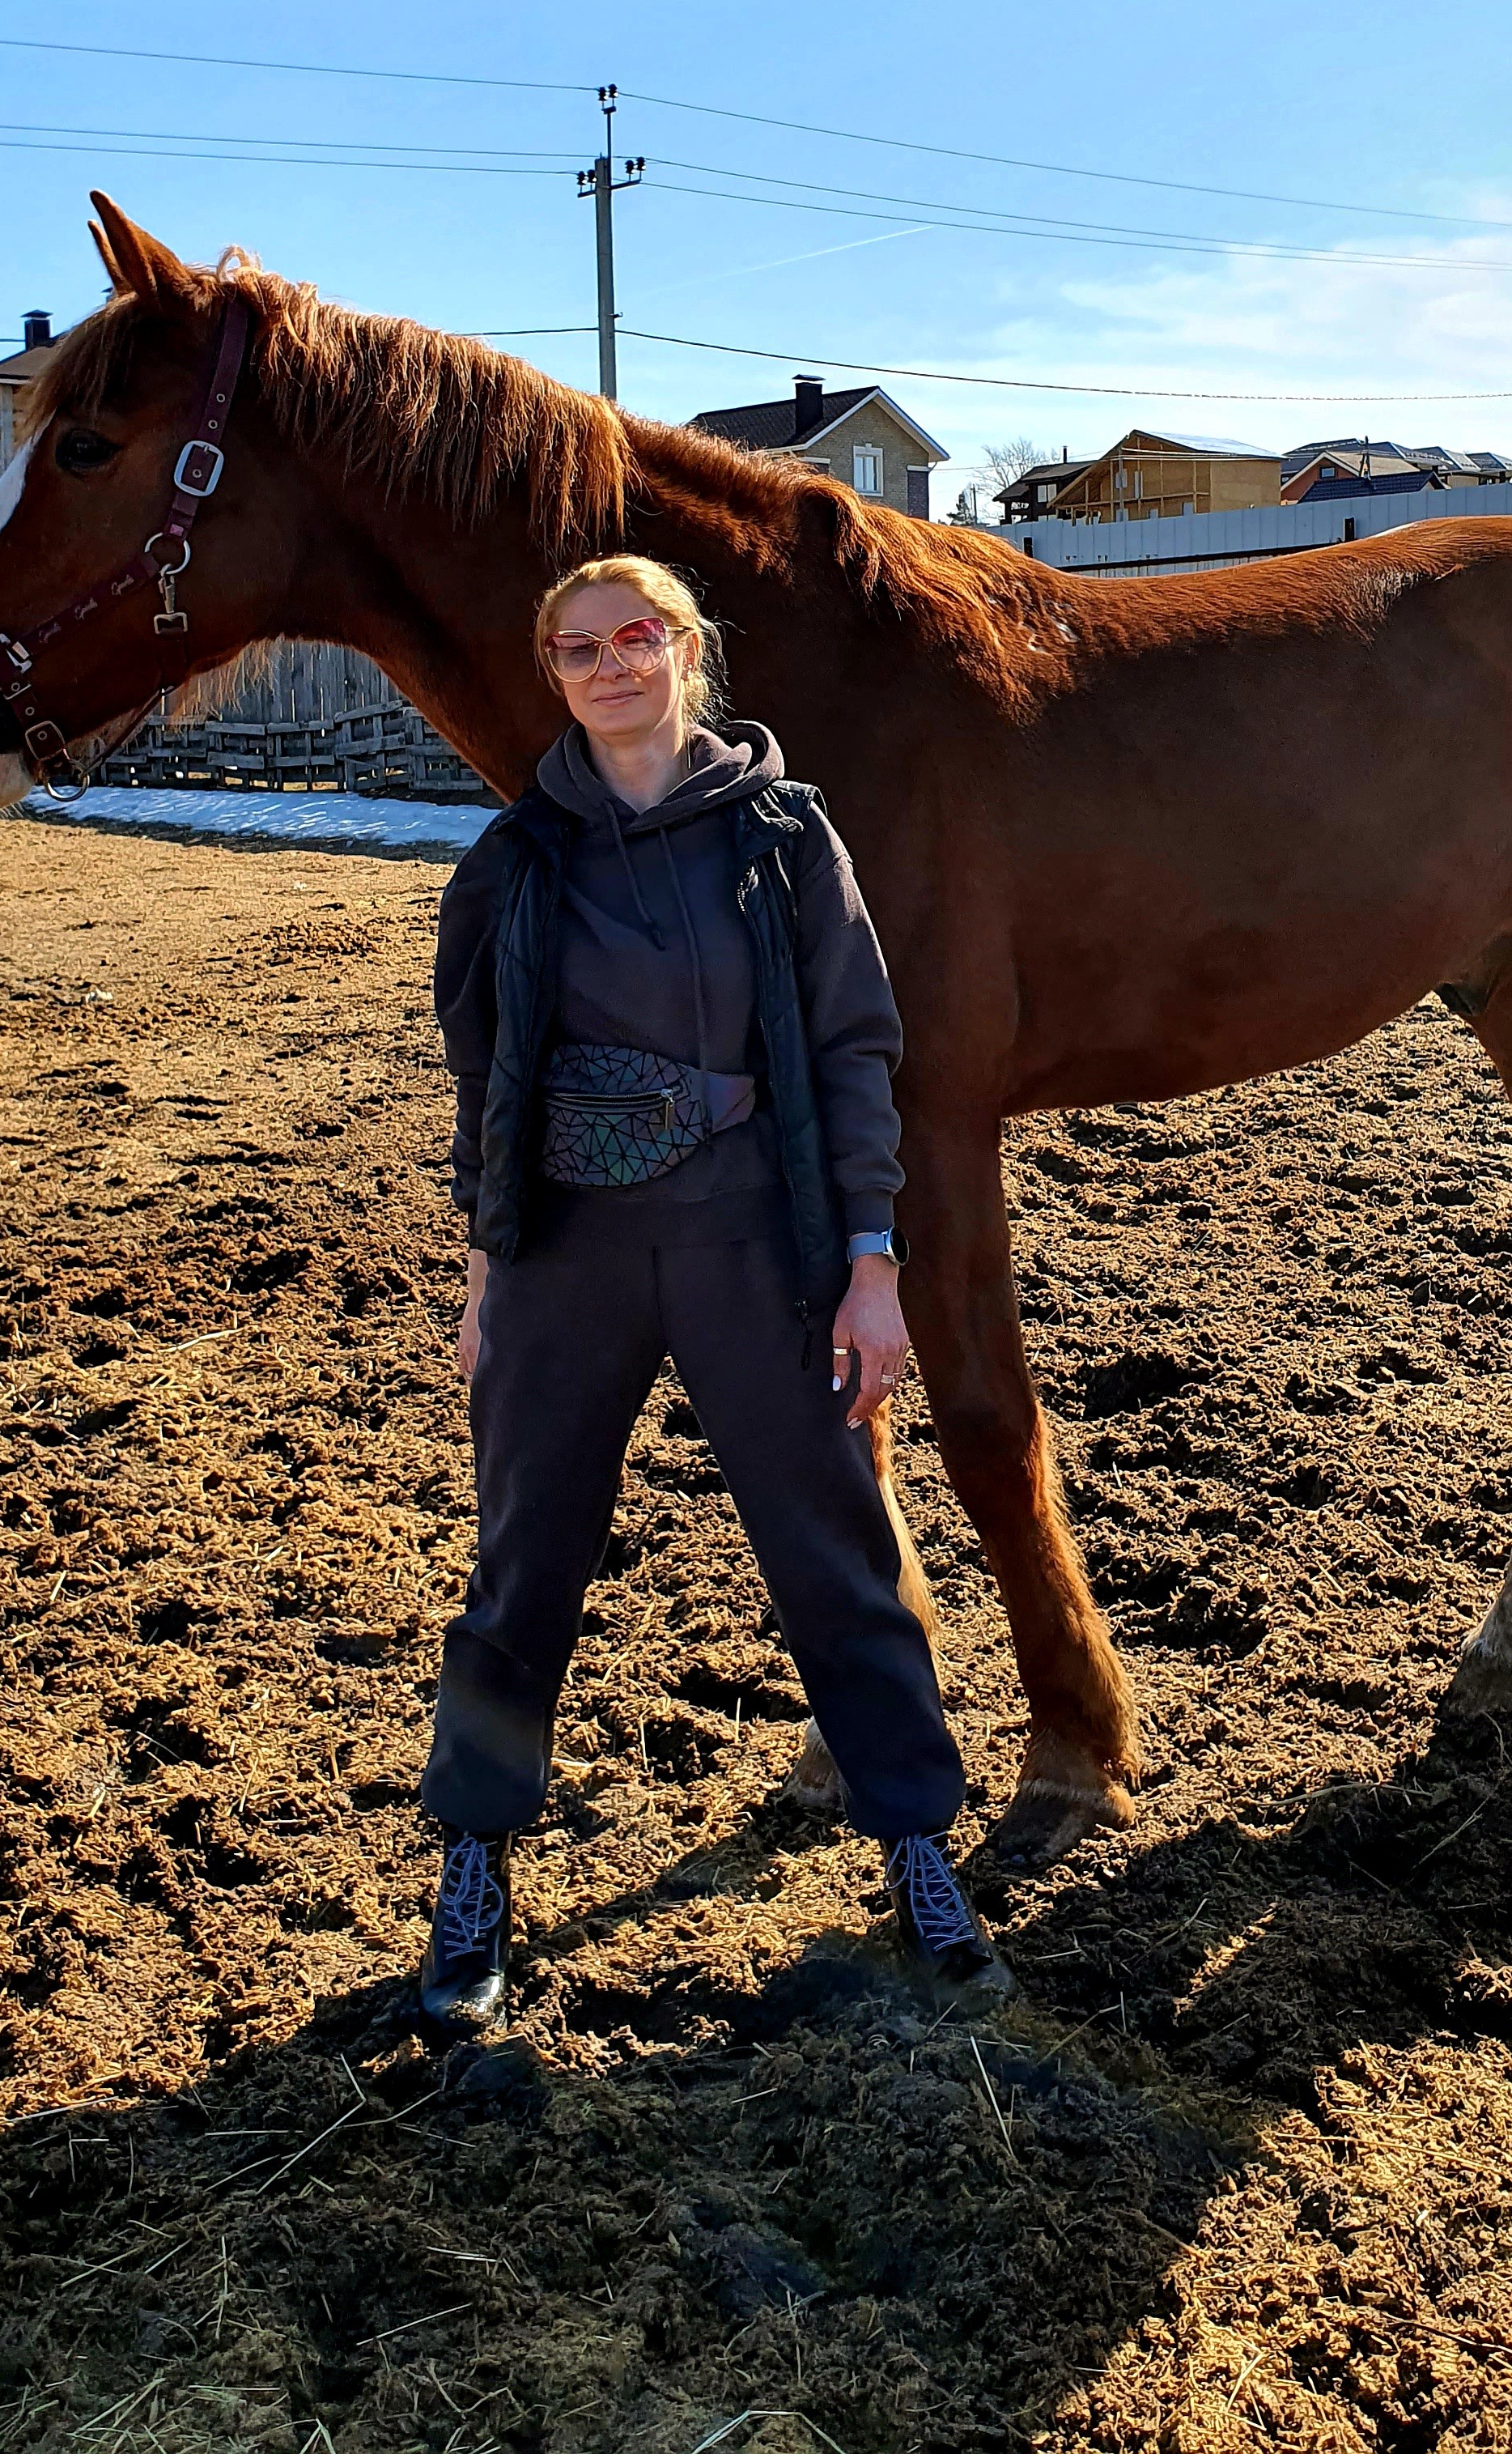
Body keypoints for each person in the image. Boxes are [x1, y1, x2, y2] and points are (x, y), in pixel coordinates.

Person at [418, 552, 1007, 2031]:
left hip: (757, 1241)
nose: (612, 667)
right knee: (524, 1558)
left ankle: (920, 1848)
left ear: (690, 649)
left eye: (638, 638)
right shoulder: (513, 862)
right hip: (570, 1253)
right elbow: (486, 1085)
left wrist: (872, 1265)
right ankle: (476, 1867)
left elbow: (858, 1046)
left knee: (835, 1545)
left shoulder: (784, 841)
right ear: (551, 675)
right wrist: (490, 1275)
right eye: (579, 650)